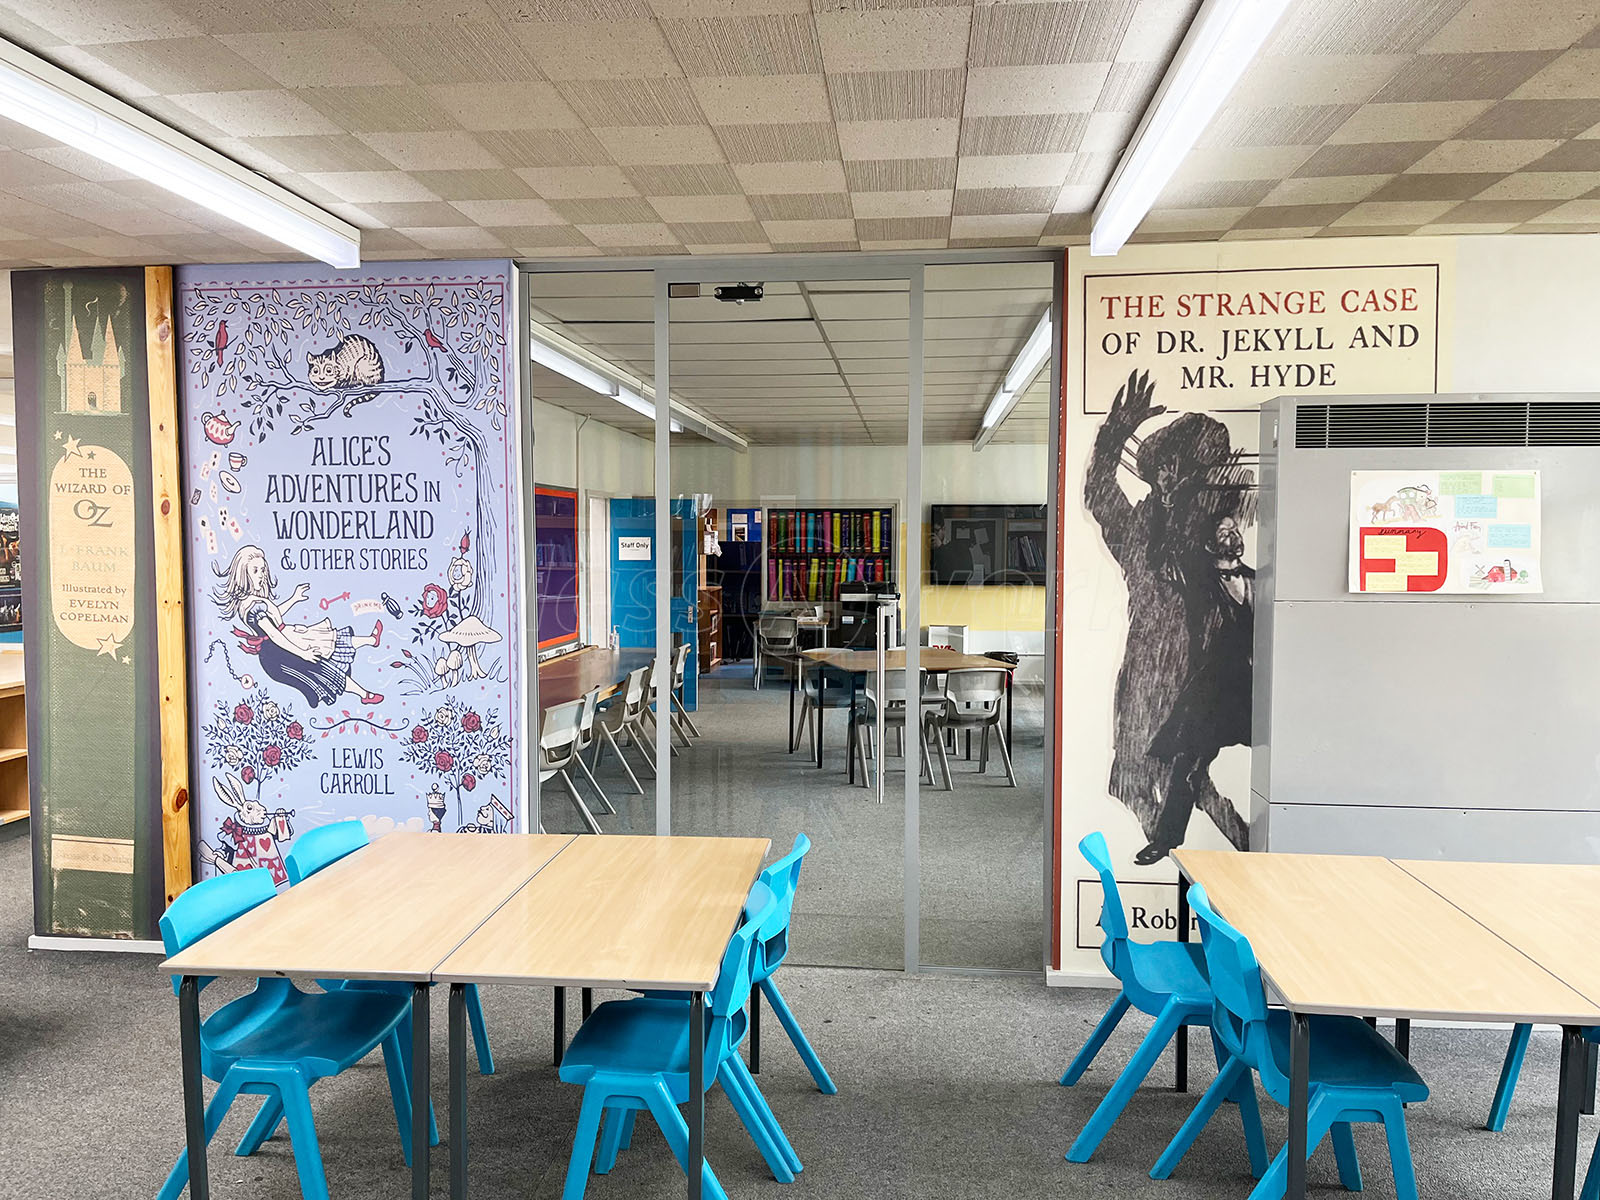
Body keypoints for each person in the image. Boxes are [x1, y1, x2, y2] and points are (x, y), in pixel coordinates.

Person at [1085, 369, 1250, 862]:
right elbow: (1099, 494)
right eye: (1164, 465)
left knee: (1183, 767)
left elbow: (1230, 576)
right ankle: (1182, 841)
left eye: (1181, 466)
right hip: (1146, 664)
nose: (1168, 476)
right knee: (1137, 772)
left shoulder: (1212, 522)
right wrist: (1115, 432)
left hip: (1195, 667)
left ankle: (1220, 843)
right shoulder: (1141, 524)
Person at [1140, 513, 1254, 865]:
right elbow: (1159, 559)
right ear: (1208, 543)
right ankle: (1167, 840)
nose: (1233, 534)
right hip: (1213, 690)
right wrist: (1166, 504)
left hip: (1254, 688)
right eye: (1223, 530)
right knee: (1189, 764)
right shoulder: (1197, 578)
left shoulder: (1257, 579)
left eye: (1235, 529)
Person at [212, 545, 383, 707]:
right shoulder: (251, 606)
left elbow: (275, 616)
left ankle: (371, 640)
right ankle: (364, 694)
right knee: (324, 667)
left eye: (263, 570)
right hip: (278, 653)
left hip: (285, 639)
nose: (261, 575)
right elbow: (273, 634)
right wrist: (303, 653)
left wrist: (294, 599)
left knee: (329, 640)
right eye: (255, 571)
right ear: (243, 574)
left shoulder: (255, 600)